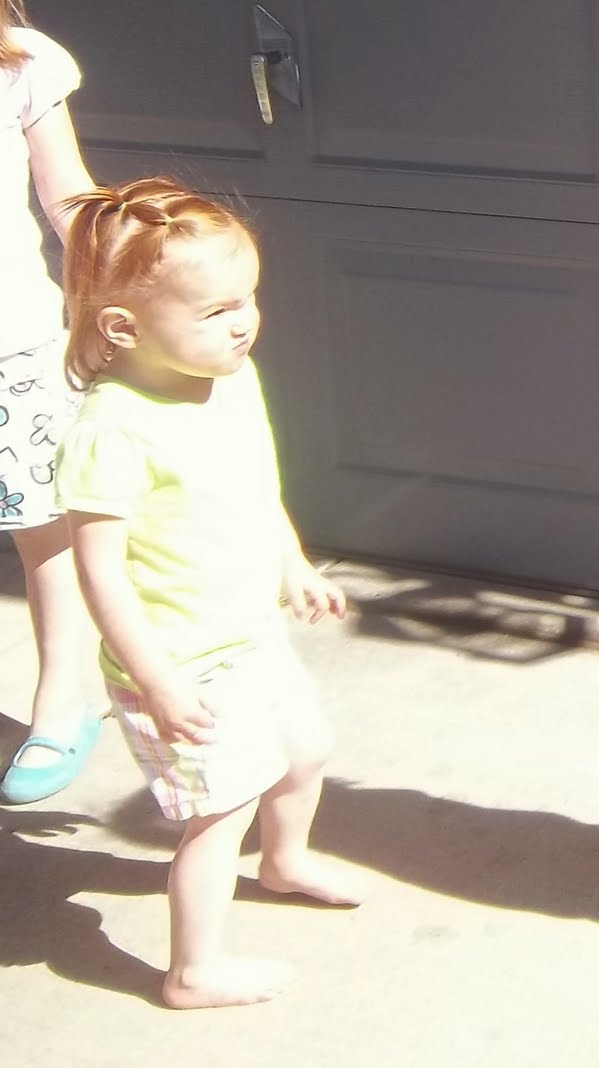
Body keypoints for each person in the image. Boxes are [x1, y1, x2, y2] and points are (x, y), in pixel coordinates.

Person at [55, 176, 363, 1009]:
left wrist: (292, 562)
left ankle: (285, 862)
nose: (243, 321)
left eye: (248, 298)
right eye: (216, 310)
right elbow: (99, 571)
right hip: (181, 664)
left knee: (305, 751)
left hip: (249, 634)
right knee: (221, 811)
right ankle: (192, 971)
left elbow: (254, 488)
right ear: (123, 327)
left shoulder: (231, 379)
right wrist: (155, 680)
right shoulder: (113, 430)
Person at [0, 0, 102, 804]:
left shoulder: (21, 61)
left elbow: (67, 198)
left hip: (14, 346)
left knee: (46, 531)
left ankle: (64, 702)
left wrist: (140, 282)